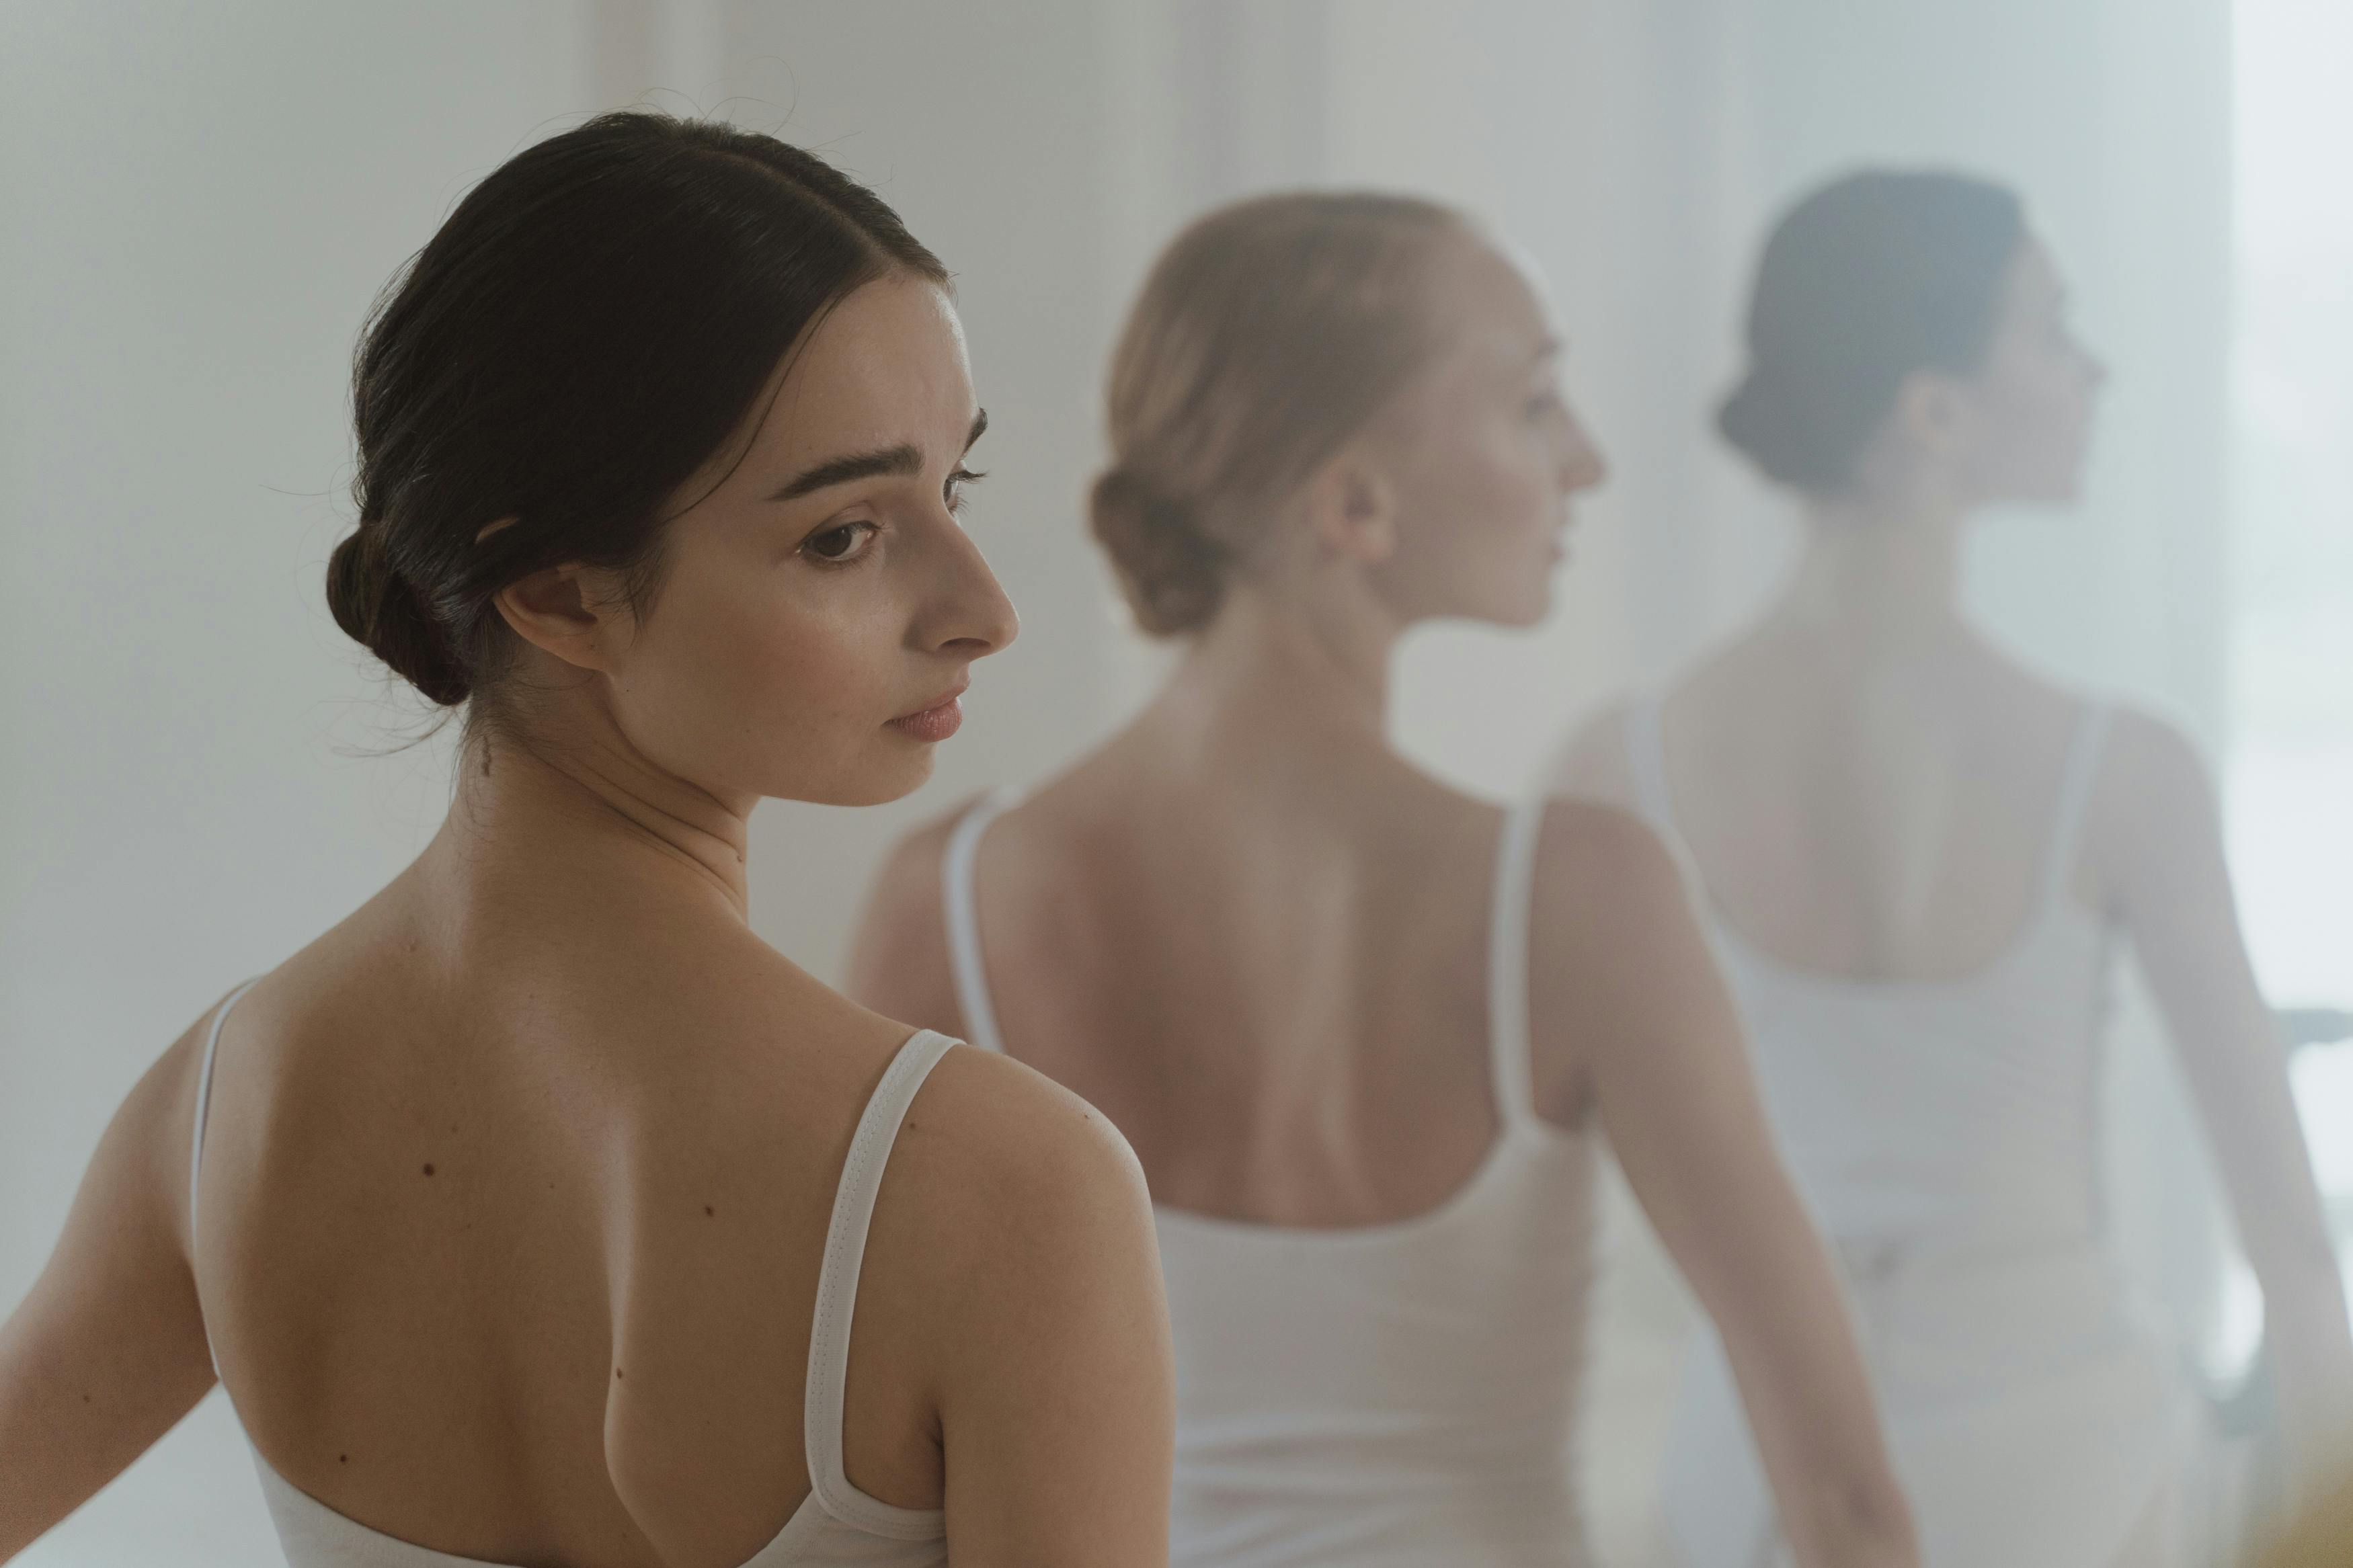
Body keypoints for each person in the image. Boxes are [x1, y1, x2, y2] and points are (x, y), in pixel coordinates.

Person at [0, 112, 1172, 1568]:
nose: (982, 605)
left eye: (953, 489)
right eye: (841, 536)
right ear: (559, 598)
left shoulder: (217, 1113)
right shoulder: (999, 1189)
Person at [848, 192, 1916, 1568]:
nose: (1583, 461)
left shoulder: (947, 903)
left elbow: (872, 1495)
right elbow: (1845, 1503)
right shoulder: (1581, 899)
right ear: (1352, 501)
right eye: (1534, 402)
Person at [1553, 168, 2353, 1567]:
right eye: (2052, 332)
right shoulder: (2126, 774)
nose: (2092, 375)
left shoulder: (1616, 767)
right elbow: (2287, 1244)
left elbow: (1545, 1210)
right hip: (2063, 1458)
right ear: (1932, 411)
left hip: (1756, 1453)